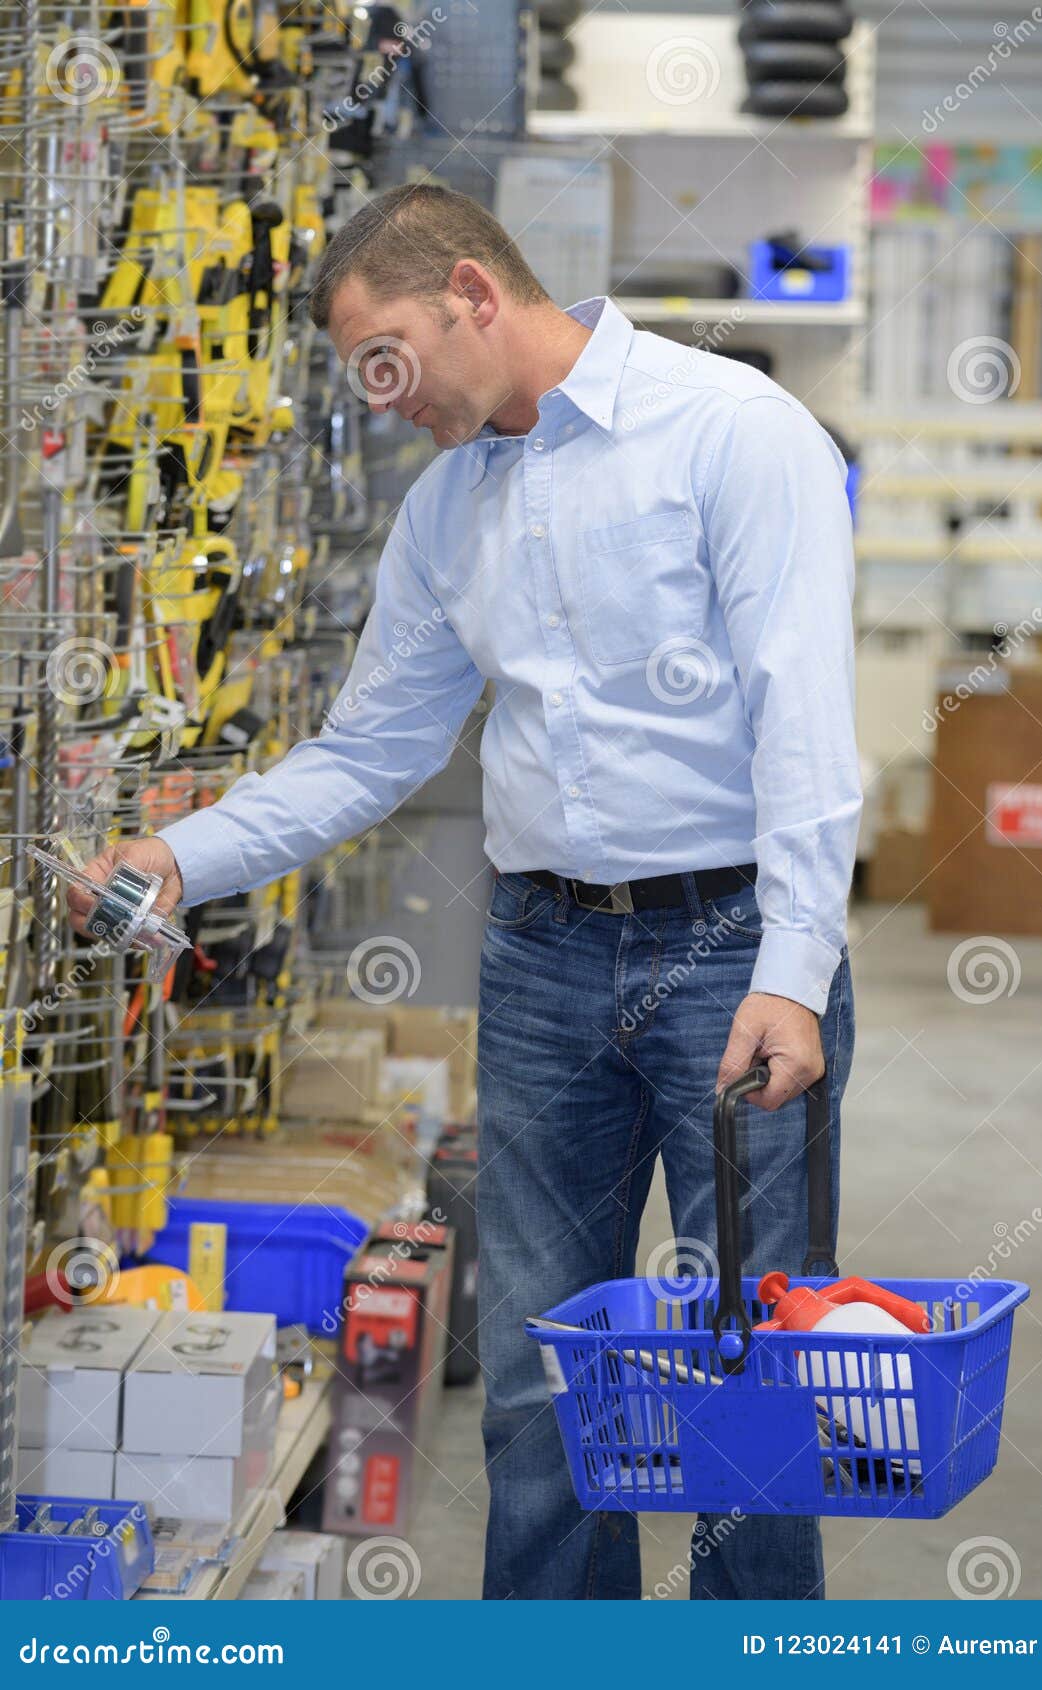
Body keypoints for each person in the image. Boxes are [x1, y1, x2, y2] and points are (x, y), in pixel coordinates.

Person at [67, 185, 861, 1601]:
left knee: (753, 1371)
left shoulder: (730, 432)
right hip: (546, 955)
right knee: (547, 1380)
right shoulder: (446, 512)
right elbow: (371, 747)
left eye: (391, 359)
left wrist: (795, 964)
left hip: (740, 949)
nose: (385, 402)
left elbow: (804, 716)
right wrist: (187, 855)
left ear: (475, 295)